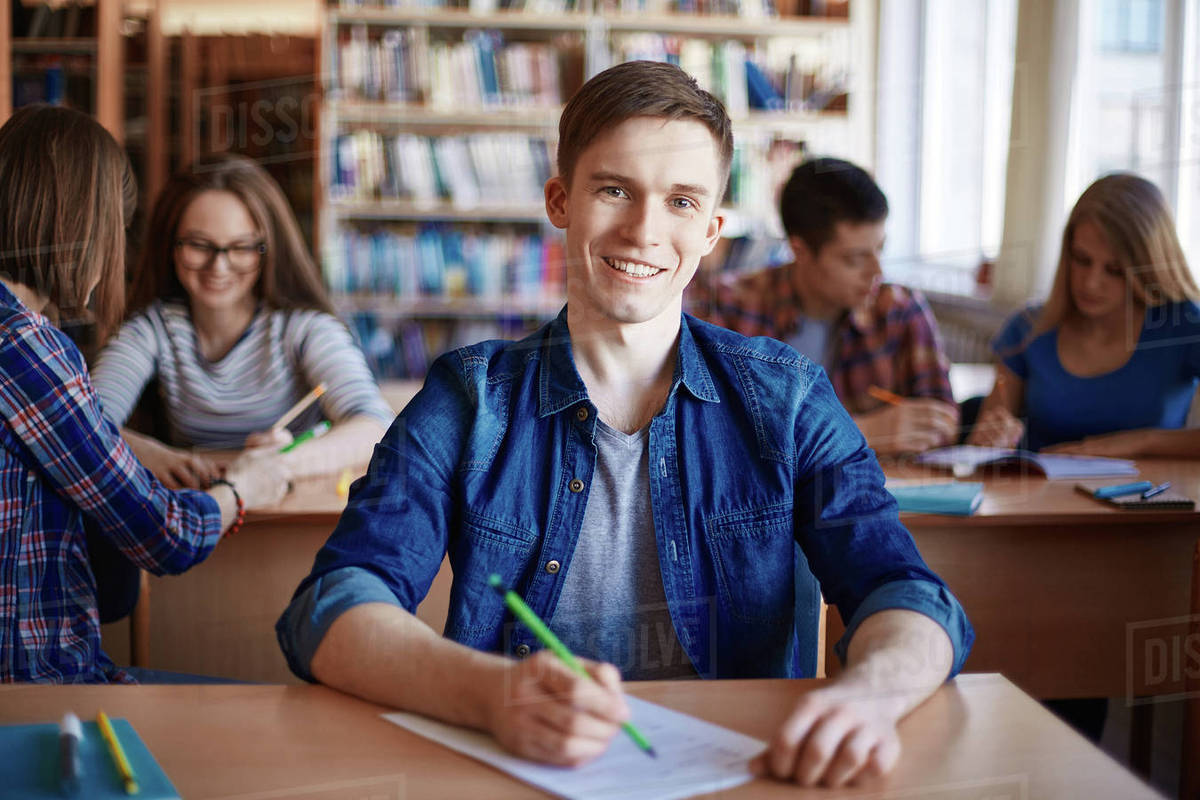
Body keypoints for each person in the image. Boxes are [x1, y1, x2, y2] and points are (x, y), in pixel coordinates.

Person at [277, 61, 972, 788]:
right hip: (516, 774)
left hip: (744, 778)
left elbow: (906, 592)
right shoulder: (470, 397)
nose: (644, 231)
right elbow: (333, 607)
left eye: (681, 202)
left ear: (712, 230)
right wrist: (492, 695)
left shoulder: (788, 397)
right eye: (614, 190)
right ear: (560, 201)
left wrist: (870, 696)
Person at [0, 105, 289, 684]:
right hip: (38, 686)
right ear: (83, 225)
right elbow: (165, 537)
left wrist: (131, 449)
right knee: (267, 707)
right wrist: (245, 488)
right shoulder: (27, 347)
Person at [91, 154, 393, 489]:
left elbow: (376, 427)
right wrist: (145, 452)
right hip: (203, 512)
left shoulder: (304, 330)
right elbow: (82, 423)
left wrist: (284, 463)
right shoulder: (151, 330)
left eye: (241, 247)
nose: (219, 267)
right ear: (171, 247)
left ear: (267, 250)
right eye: (199, 245)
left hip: (292, 511)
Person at [691, 158, 959, 455]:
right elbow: (706, 434)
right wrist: (858, 433)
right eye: (854, 259)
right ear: (800, 251)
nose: (876, 272)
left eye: (880, 249)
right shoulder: (726, 307)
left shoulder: (901, 310)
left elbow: (945, 424)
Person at [968, 173, 1200, 456]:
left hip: (1149, 485)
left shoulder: (1184, 326)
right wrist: (990, 439)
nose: (1091, 283)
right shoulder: (1027, 328)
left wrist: (1138, 442)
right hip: (1040, 484)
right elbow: (981, 448)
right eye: (1082, 259)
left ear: (1149, 265)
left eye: (1114, 270)